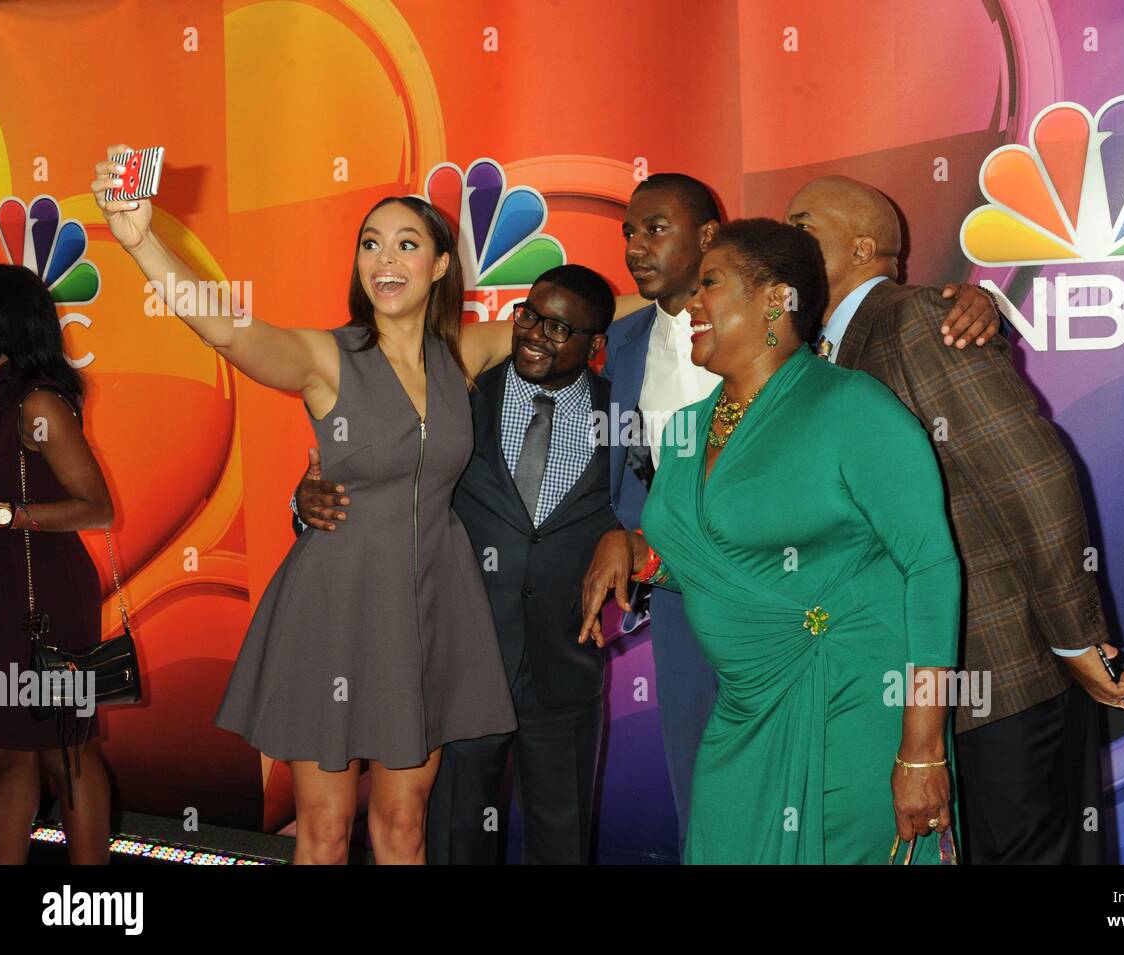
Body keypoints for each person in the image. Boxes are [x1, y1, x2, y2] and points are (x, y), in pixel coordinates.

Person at [90, 145, 524, 864]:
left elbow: (583, 316)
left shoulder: (465, 353)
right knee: (322, 831)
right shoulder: (328, 357)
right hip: (336, 605)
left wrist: (685, 294)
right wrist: (142, 240)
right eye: (370, 244)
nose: (384, 259)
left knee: (405, 824)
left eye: (407, 244)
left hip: (431, 609)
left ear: (443, 265)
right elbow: (228, 330)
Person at [600, 173, 1002, 855]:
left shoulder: (854, 408)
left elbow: (932, 569)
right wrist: (638, 555)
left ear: (776, 301)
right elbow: (722, 566)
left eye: (712, 284)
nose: (692, 302)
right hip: (741, 714)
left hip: (851, 705)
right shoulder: (687, 430)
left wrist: (924, 747)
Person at [786, 175, 1124, 863]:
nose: (785, 243)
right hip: (909, 685)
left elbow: (1032, 475)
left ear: (863, 246)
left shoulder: (918, 318)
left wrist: (1074, 639)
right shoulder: (813, 357)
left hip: (1002, 671)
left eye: (802, 227)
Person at [298, 265, 617, 864]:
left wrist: (630, 544)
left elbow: (648, 512)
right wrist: (305, 500)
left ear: (595, 346)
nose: (534, 334)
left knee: (562, 842)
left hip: (564, 666)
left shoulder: (624, 415)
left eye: (559, 328)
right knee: (451, 839)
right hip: (459, 660)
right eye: (528, 315)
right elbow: (377, 473)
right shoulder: (457, 394)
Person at [0, 264, 115, 865]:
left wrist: (6, 516)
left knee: (66, 750)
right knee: (7, 751)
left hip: (45, 604)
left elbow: (97, 508)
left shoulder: (37, 403)